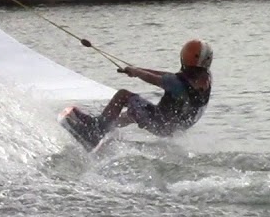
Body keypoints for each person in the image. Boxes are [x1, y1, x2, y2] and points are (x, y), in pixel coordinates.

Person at [61, 39, 213, 148]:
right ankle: (107, 127)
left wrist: (136, 72)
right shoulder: (206, 79)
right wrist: (137, 69)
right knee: (132, 114)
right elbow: (168, 76)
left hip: (160, 123)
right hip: (174, 127)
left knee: (124, 95)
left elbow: (154, 78)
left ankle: (96, 131)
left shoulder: (175, 83)